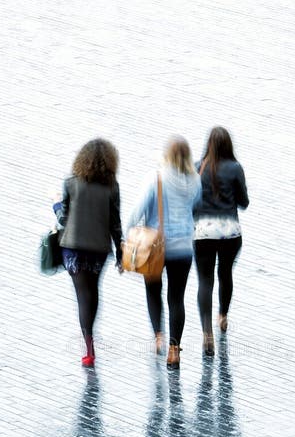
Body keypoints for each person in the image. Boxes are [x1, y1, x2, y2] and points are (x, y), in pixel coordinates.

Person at [126, 137, 201, 370]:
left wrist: (126, 237)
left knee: (153, 291)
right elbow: (195, 207)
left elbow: (137, 210)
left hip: (155, 247)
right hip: (184, 248)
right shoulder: (195, 181)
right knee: (177, 299)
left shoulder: (155, 177)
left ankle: (158, 335)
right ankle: (174, 350)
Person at [53, 139, 122, 368]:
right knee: (92, 292)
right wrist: (121, 254)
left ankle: (88, 348)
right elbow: (115, 224)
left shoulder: (71, 183)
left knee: (82, 295)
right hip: (99, 249)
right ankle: (90, 340)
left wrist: (55, 206)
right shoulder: (112, 186)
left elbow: (63, 218)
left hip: (74, 248)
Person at [193, 127, 249, 356]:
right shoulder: (235, 168)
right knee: (225, 274)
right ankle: (223, 316)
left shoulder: (197, 167)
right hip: (230, 234)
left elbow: (192, 203)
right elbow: (244, 203)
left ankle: (207, 333)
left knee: (205, 281)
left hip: (203, 233)